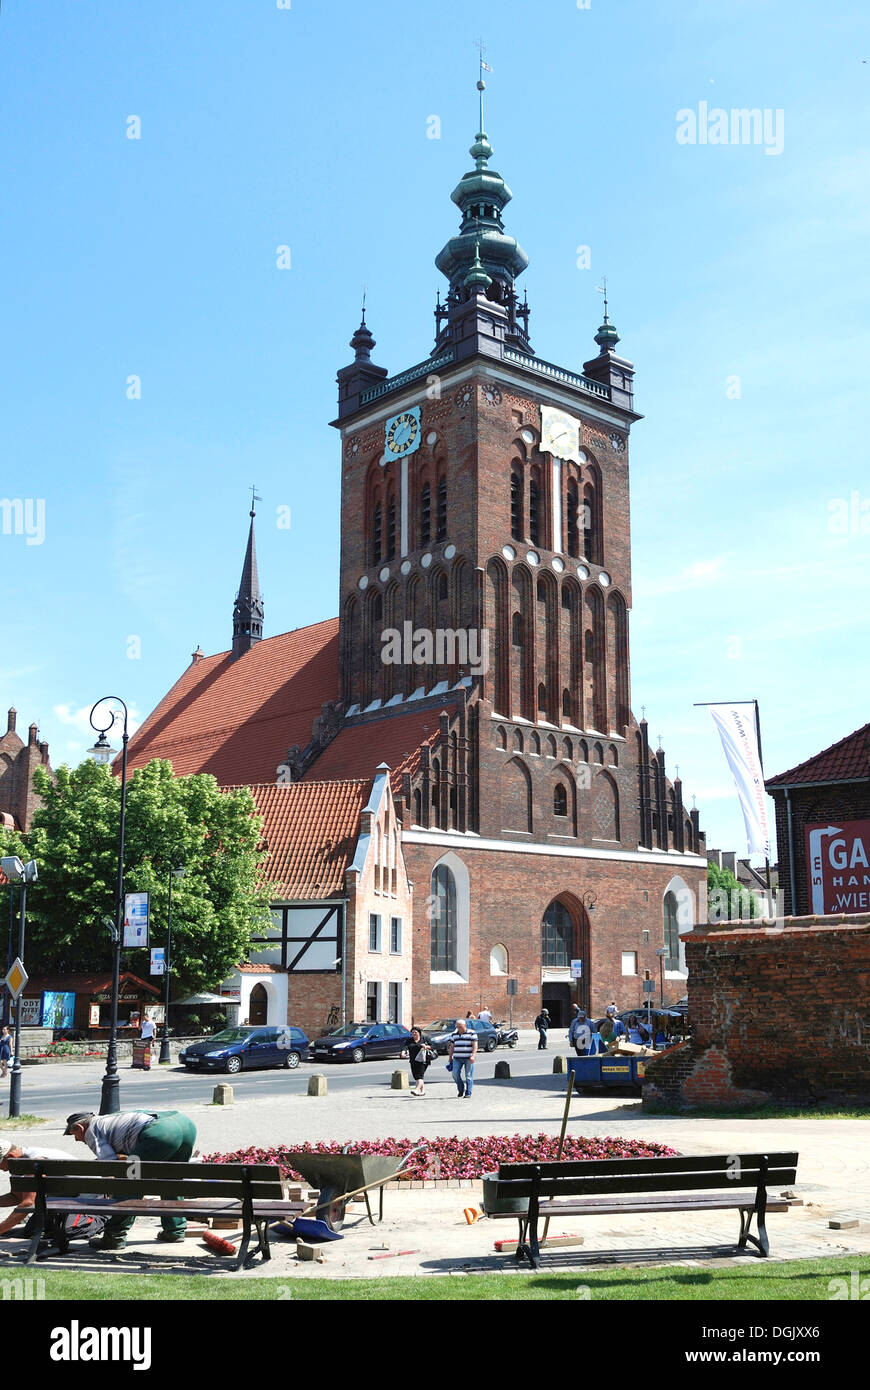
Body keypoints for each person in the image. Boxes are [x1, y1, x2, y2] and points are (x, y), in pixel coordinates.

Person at [65, 1109, 197, 1251]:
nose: (77, 1140)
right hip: (184, 1124)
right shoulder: (108, 1119)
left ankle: (114, 1236)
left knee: (129, 1186)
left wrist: (113, 1190)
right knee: (171, 1180)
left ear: (80, 1127)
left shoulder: (91, 1132)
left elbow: (110, 1167)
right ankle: (174, 1230)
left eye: (75, 1135)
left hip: (160, 1133)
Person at [0, 1140, 75, 1238]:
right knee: (31, 1229)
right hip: (66, 1196)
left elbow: (28, 1203)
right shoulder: (18, 1162)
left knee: (47, 1230)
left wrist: (1, 1229)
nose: (1, 1169)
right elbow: (16, 1197)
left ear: (10, 1157)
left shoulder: (34, 1162)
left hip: (85, 1198)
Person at [447, 1019, 478, 1098]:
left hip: (468, 1058)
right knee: (455, 1074)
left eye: (460, 1027)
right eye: (457, 1026)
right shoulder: (454, 1034)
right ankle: (461, 1089)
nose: (458, 1028)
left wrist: (473, 1056)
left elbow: (475, 1045)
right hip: (457, 1058)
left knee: (468, 1076)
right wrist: (450, 1057)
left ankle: (468, 1092)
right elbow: (452, 1047)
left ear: (465, 1026)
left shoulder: (472, 1033)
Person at [407, 1026, 435, 1096]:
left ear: (419, 1033)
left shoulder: (425, 1039)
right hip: (413, 1060)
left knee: (420, 1076)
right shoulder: (409, 1040)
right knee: (416, 1076)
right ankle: (422, 1091)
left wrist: (426, 1046)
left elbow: (433, 1046)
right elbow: (405, 1047)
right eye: (412, 1032)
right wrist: (403, 1052)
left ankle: (417, 1090)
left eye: (415, 1032)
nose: (414, 1034)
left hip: (423, 1060)